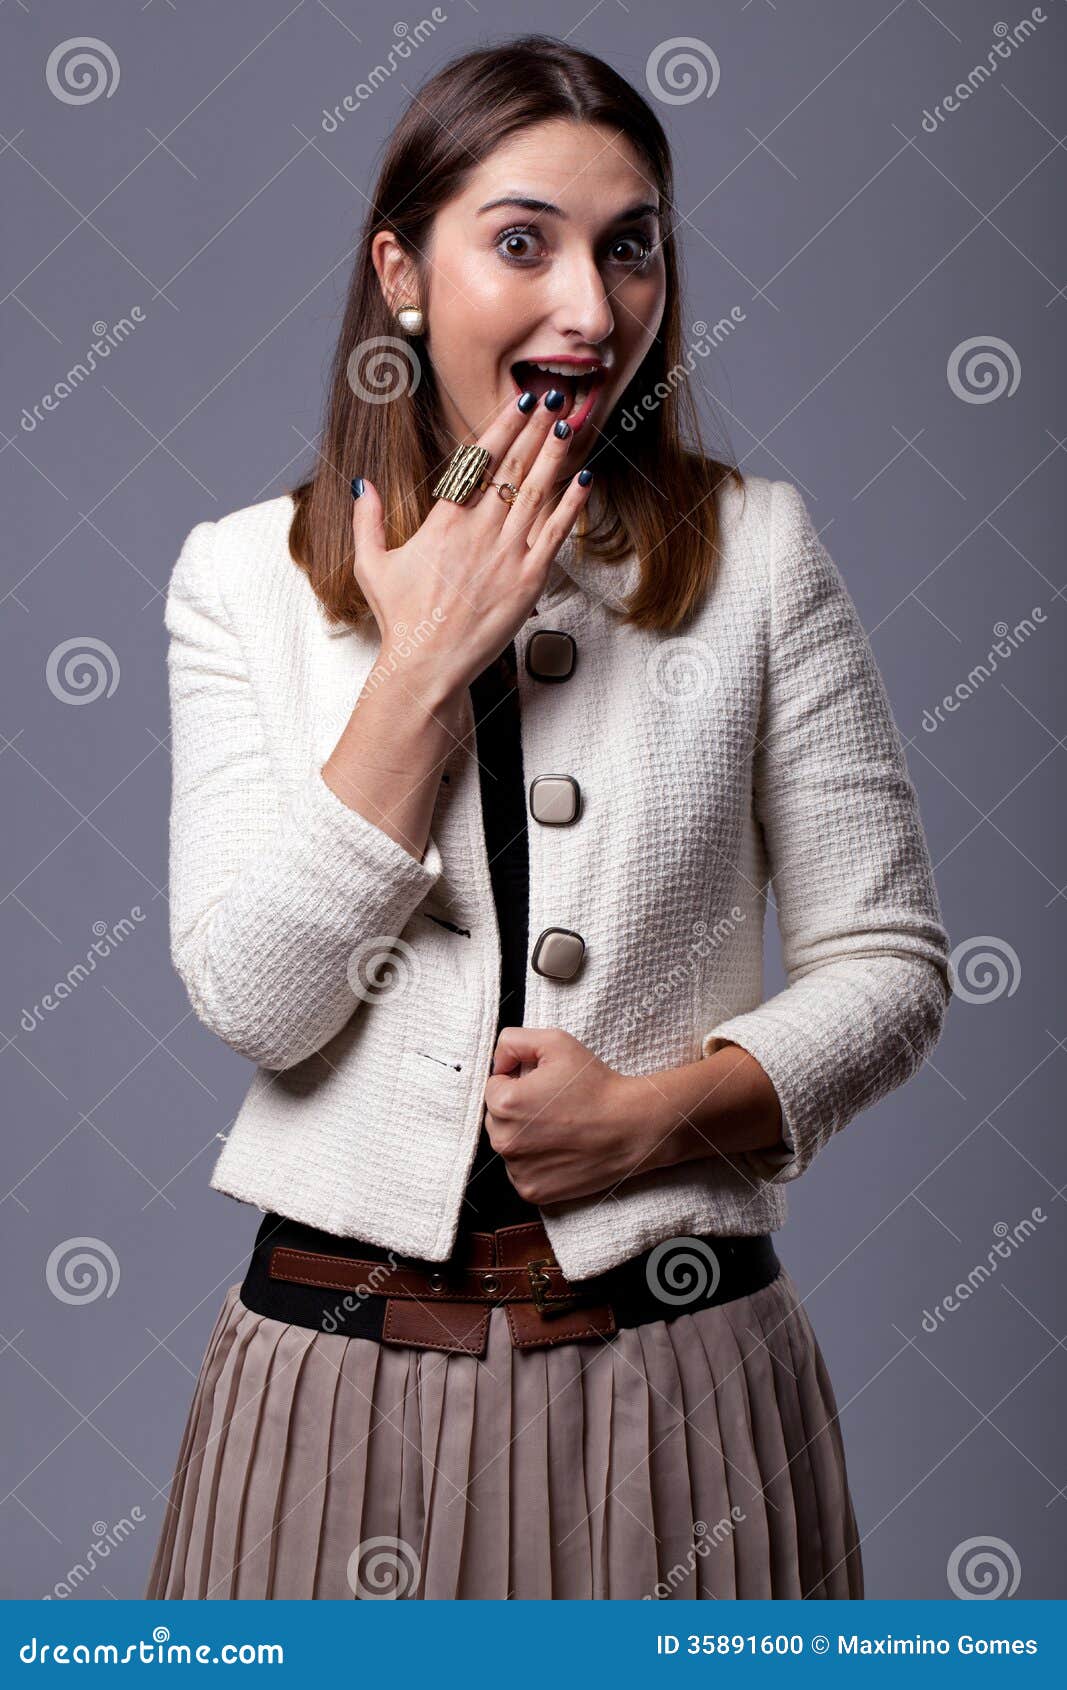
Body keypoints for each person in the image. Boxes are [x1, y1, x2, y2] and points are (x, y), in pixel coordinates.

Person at [144, 34, 950, 1601]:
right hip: (327, 1395)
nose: (592, 307)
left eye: (630, 246)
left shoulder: (759, 551)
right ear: (405, 275)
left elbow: (895, 964)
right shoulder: (238, 579)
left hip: (679, 1391)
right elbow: (254, 995)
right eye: (524, 243)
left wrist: (656, 1116)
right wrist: (420, 670)